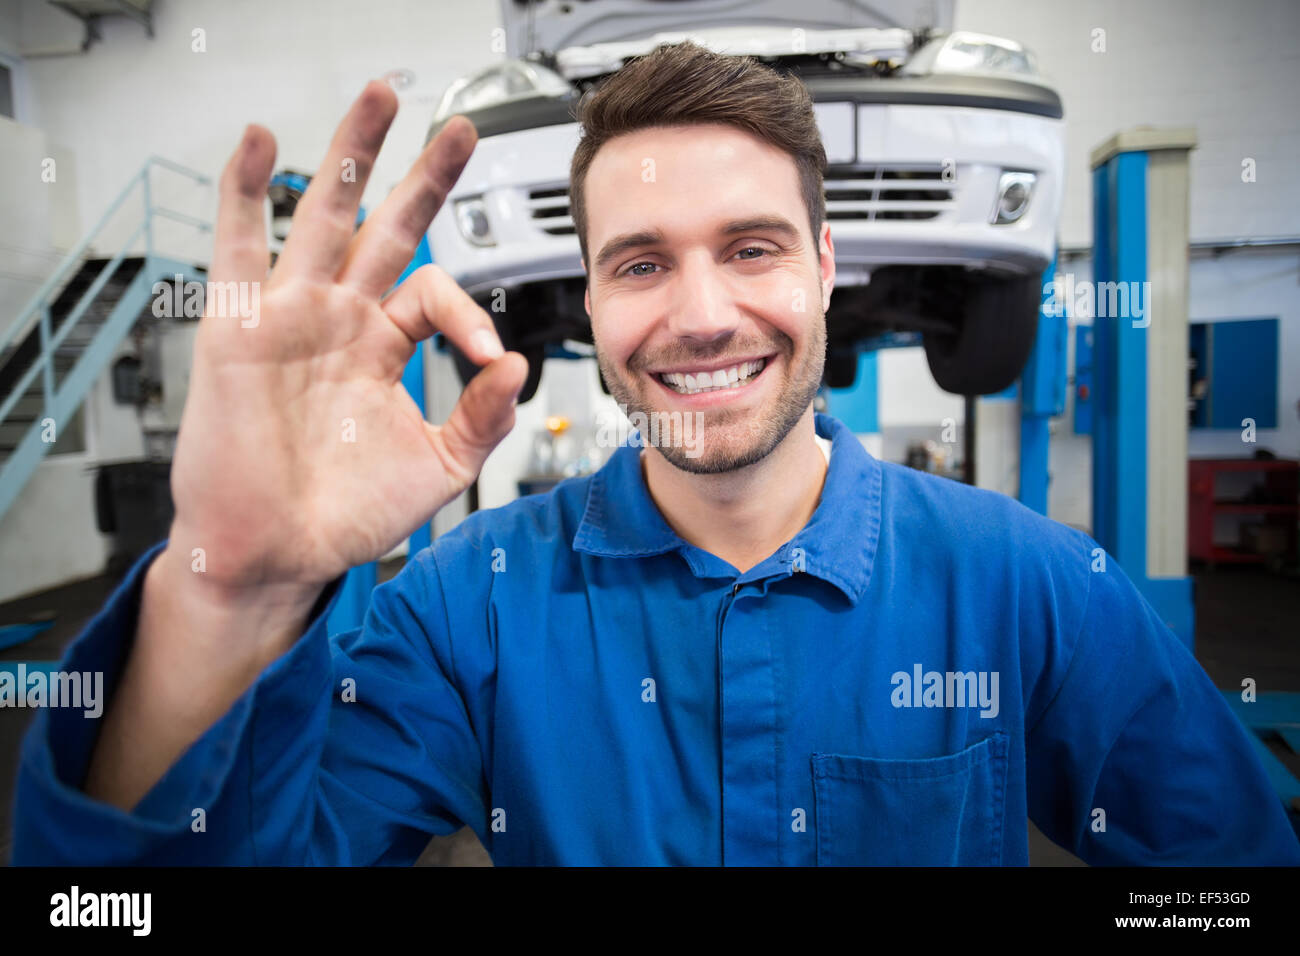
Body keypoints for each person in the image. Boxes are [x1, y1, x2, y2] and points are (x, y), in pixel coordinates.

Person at [13, 42, 1299, 866]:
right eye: (640, 262)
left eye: (748, 246)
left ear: (823, 265)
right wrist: (228, 588)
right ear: (587, 298)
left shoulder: (1028, 586)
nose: (696, 314)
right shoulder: (468, 608)